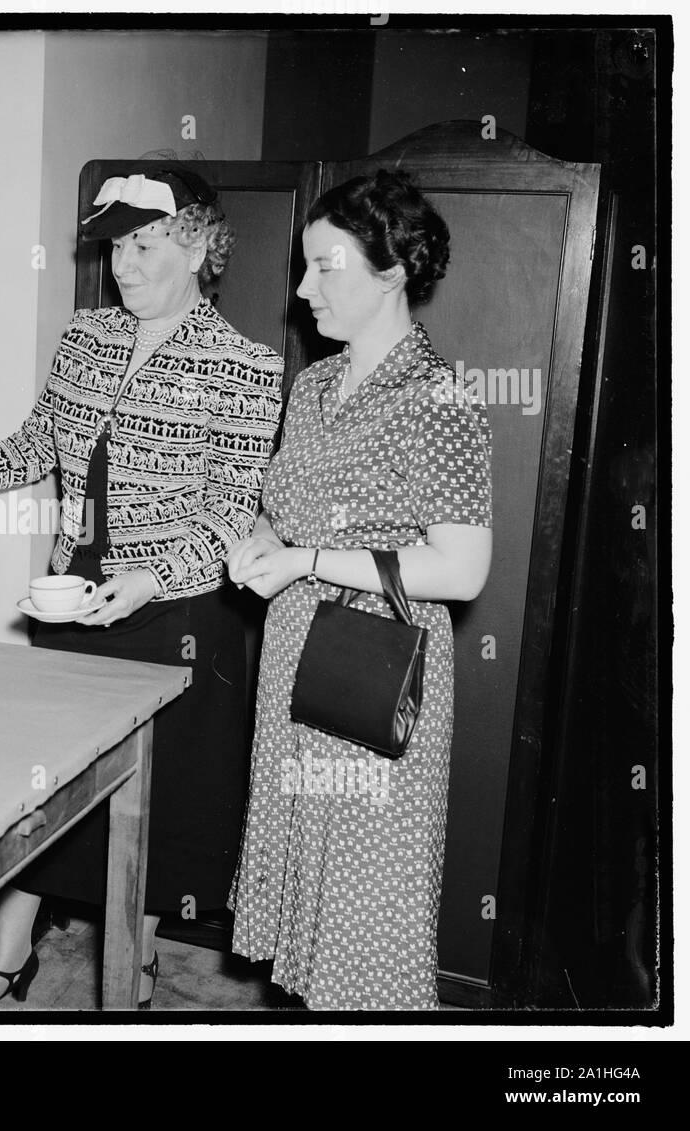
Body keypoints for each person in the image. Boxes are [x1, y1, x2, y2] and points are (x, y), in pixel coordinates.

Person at [0, 165, 283, 1009]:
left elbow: (232, 508)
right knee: (40, 787)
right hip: (74, 599)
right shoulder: (87, 335)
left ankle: (134, 971)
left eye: (146, 242)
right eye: (118, 244)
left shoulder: (244, 365)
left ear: (201, 244)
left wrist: (153, 576)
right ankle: (7, 957)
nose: (126, 262)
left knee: (159, 807)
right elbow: (36, 444)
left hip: (177, 614)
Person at [226, 169, 493, 1010]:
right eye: (304, 268)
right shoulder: (311, 385)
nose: (303, 290)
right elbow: (289, 514)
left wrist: (308, 562)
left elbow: (461, 568)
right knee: (310, 906)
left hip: (376, 672)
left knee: (366, 917)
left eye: (326, 266)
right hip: (294, 664)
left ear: (392, 272)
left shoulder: (438, 397)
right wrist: (265, 543)